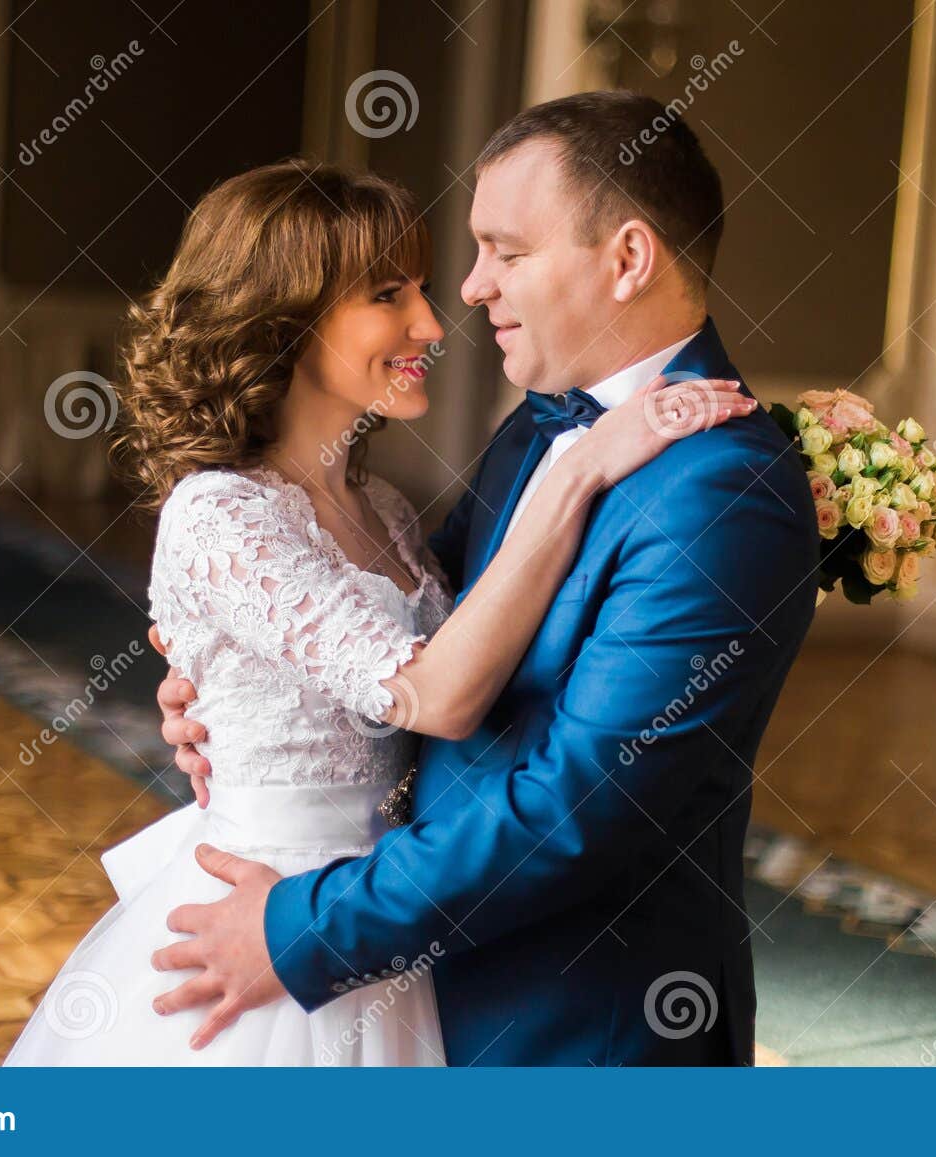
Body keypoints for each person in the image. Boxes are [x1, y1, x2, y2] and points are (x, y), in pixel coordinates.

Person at [3, 154, 750, 1066]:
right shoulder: (219, 511)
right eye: (388, 294)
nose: (434, 322)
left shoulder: (387, 511)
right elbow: (434, 693)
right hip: (266, 926)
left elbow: (451, 641)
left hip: (388, 928)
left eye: (424, 289)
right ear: (284, 318)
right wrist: (589, 464)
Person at [150, 92, 820, 1066]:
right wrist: (230, 680)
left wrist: (298, 930)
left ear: (627, 259)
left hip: (580, 1026)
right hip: (424, 986)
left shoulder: (722, 491)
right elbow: (417, 627)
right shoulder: (535, 430)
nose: (467, 291)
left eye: (505, 251)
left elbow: (577, 812)